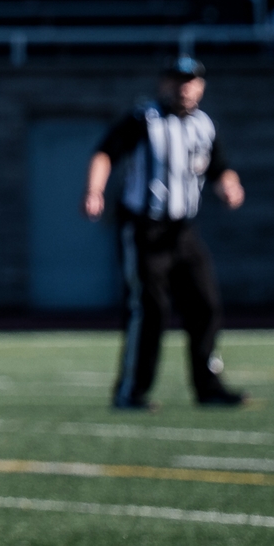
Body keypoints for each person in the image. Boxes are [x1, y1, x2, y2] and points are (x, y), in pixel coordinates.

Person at [85, 57, 246, 409]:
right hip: (144, 229)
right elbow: (105, 153)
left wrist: (230, 187)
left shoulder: (204, 125)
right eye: (177, 80)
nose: (184, 88)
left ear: (201, 86)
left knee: (205, 304)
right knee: (150, 309)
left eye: (191, 81)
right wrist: (95, 190)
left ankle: (208, 387)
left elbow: (220, 169)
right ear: (163, 84)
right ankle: (131, 390)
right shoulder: (144, 119)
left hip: (184, 231)